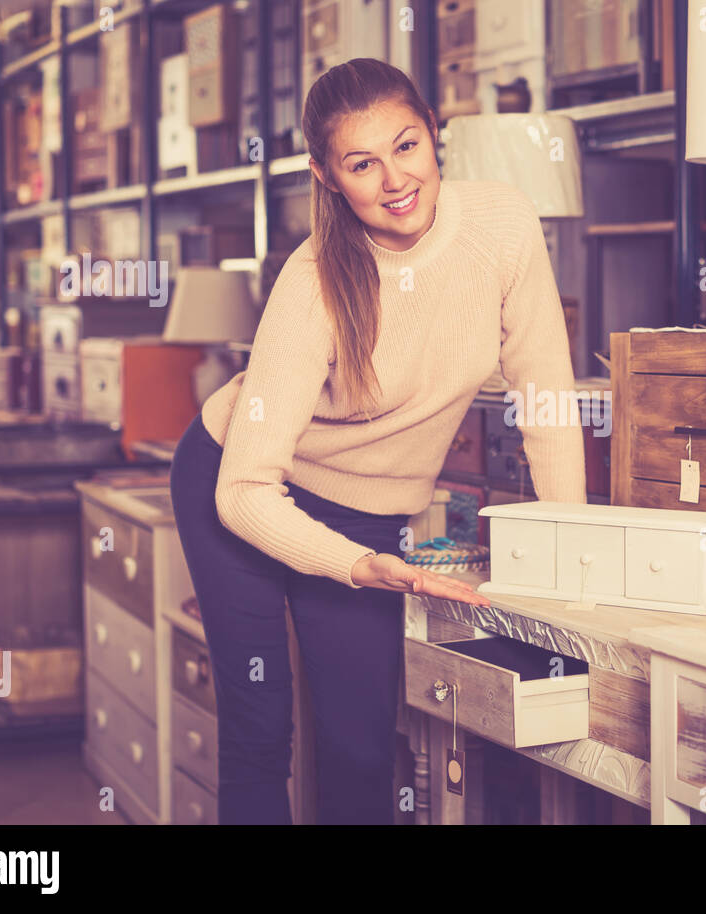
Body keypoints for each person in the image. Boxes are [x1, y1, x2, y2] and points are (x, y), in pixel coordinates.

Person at [168, 58, 587, 825]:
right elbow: (243, 489)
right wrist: (357, 566)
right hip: (239, 488)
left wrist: (575, 560)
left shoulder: (503, 225)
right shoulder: (314, 283)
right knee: (261, 731)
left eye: (406, 146)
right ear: (328, 176)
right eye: (363, 163)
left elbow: (548, 400)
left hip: (364, 512)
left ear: (435, 135)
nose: (395, 179)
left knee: (360, 744)